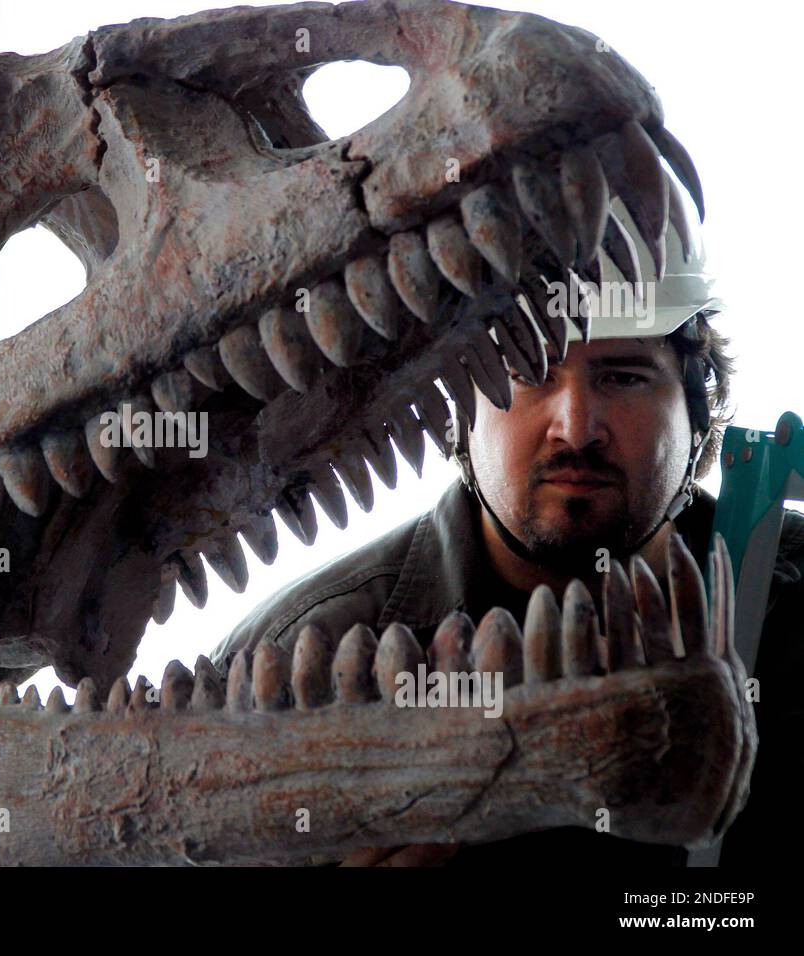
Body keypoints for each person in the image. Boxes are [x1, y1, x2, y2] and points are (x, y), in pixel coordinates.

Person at [212, 196, 804, 867]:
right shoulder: (293, 663)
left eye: (623, 376)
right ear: (457, 409)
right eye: (527, 374)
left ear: (698, 407)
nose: (577, 428)